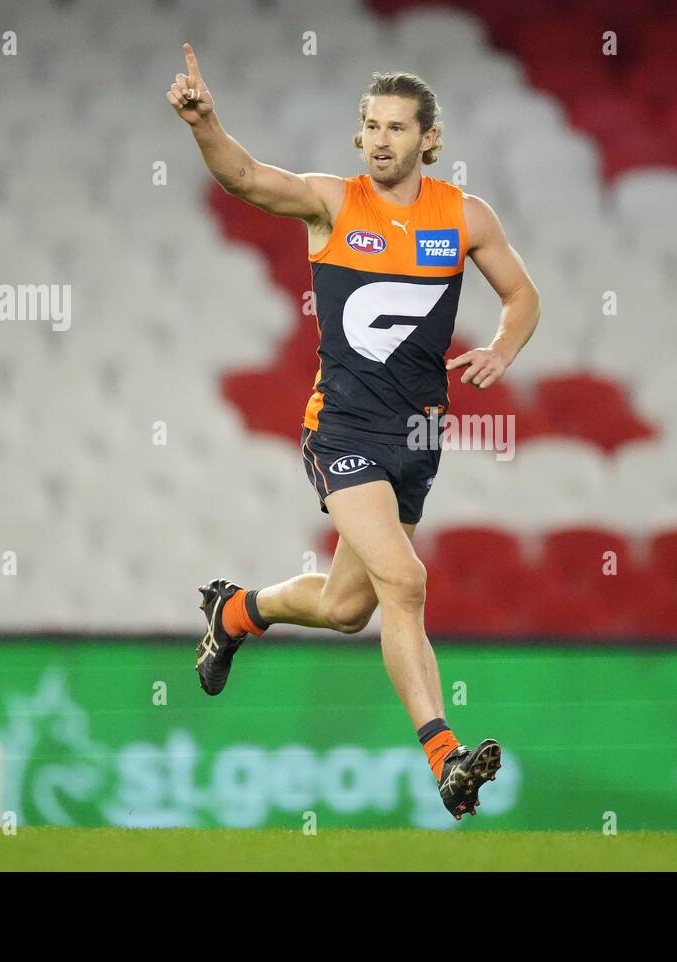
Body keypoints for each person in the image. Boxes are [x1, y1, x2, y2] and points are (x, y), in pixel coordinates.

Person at [167, 44, 539, 819]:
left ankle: (233, 613)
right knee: (407, 583)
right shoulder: (332, 204)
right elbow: (242, 175)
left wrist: (504, 347)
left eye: (397, 128)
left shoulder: (464, 217)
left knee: (346, 610)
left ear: (429, 141)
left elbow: (523, 294)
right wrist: (206, 125)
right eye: (370, 125)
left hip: (416, 441)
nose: (379, 139)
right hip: (343, 430)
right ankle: (446, 758)